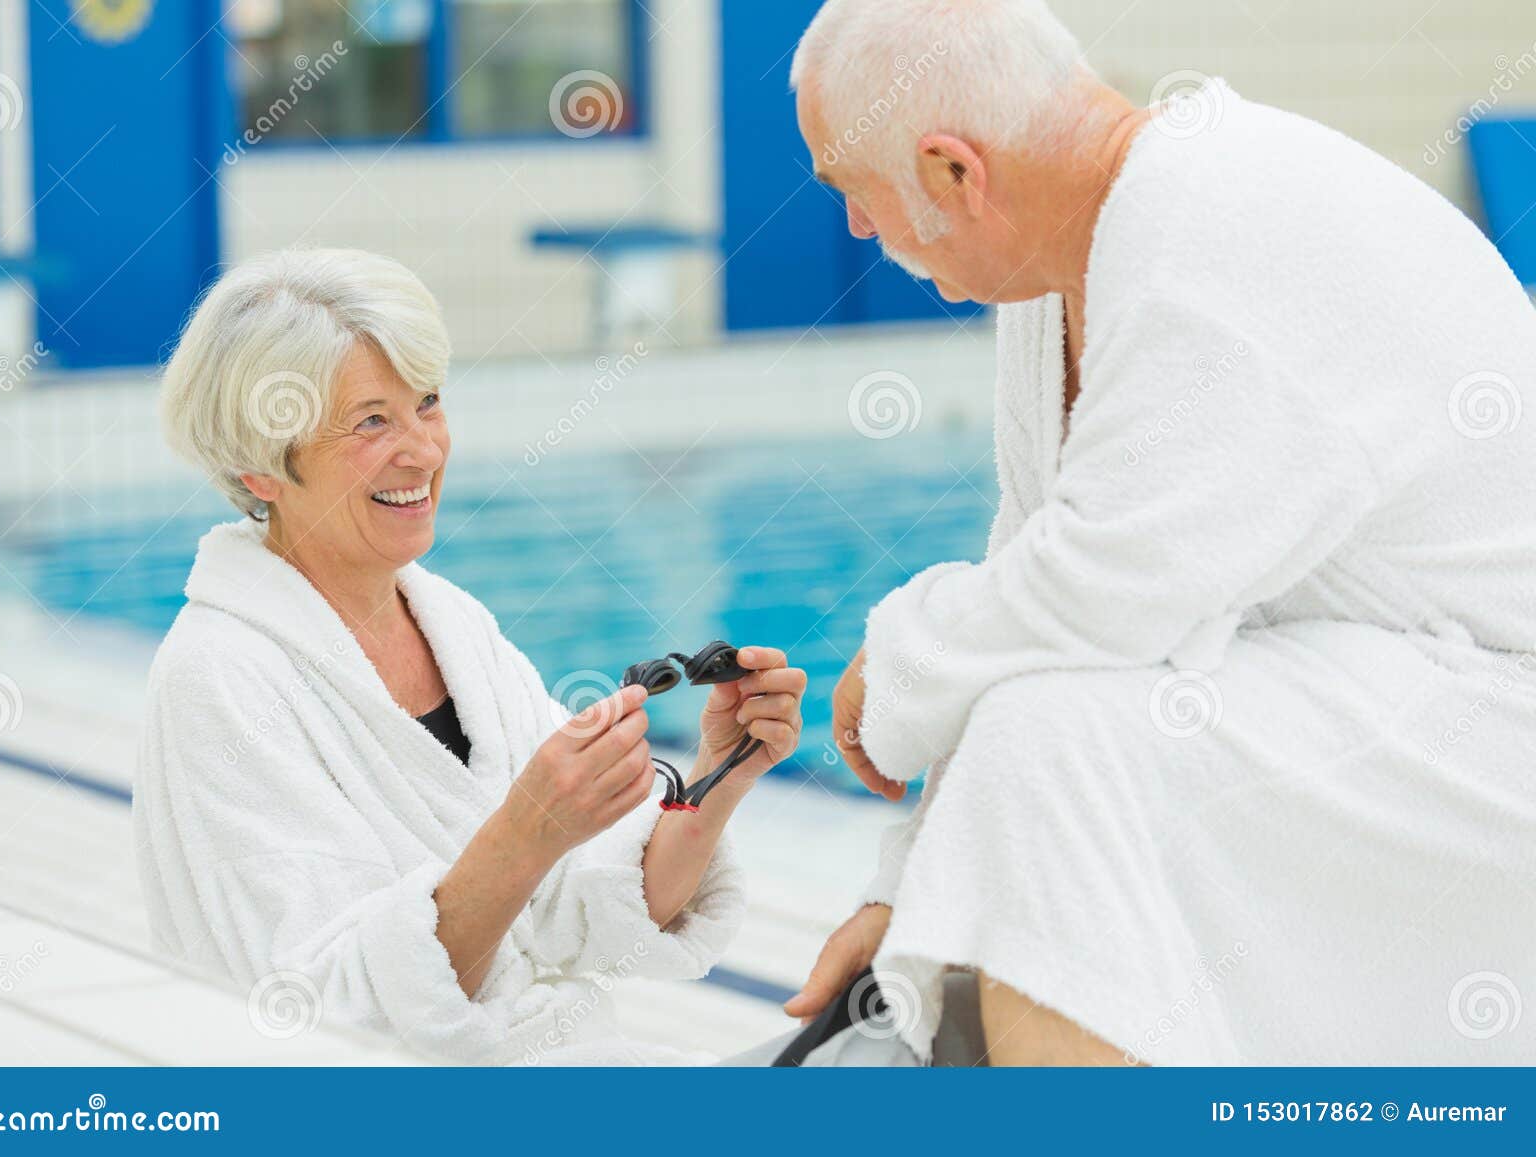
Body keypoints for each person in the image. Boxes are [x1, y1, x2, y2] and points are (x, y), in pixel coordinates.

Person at [787, 0, 1536, 1065]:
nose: (859, 229)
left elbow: (1109, 592)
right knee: (1047, 736)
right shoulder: (1081, 258)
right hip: (1402, 691)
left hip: (1500, 730)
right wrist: (912, 887)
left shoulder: (1211, 238)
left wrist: (899, 661)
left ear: (956, 172)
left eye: (852, 194)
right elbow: (1039, 614)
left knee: (1058, 746)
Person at [134, 247, 806, 1065]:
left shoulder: (450, 621)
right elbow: (318, 1016)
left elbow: (583, 911)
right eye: (371, 420)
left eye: (427, 403)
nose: (422, 450)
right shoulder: (220, 679)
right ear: (259, 466)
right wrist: (525, 833)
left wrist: (713, 780)